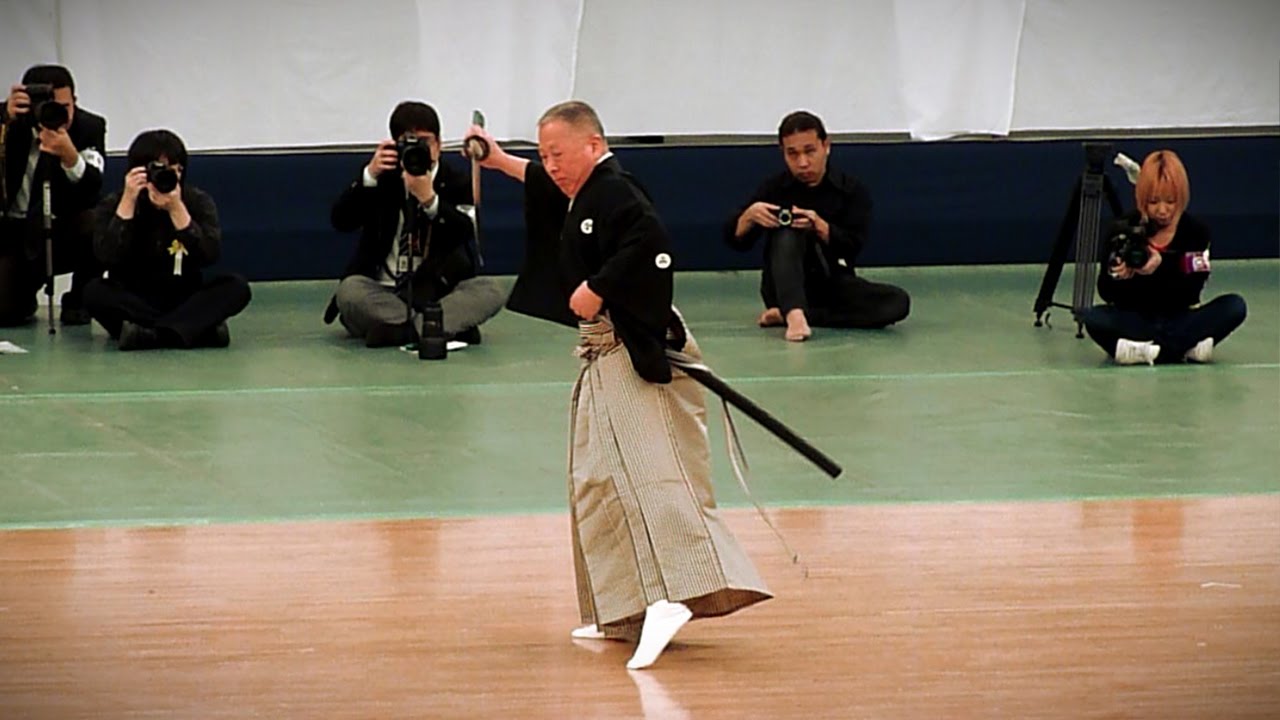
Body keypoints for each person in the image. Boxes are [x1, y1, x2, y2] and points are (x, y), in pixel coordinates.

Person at [468, 101, 771, 670]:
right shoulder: (587, 190)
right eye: (545, 156)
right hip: (603, 352)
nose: (551, 166)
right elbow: (545, 184)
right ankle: (625, 608)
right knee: (597, 479)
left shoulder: (616, 191)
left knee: (649, 473)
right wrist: (502, 161)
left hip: (633, 345)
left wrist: (600, 286)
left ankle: (671, 596)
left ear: (593, 144)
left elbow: (652, 244)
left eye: (558, 154)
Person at [325, 101, 504, 348]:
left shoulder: (456, 181)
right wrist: (369, 176)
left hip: (438, 291)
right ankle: (437, 328)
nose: (420, 149)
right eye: (409, 142)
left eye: (425, 141)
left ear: (439, 145)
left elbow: (465, 232)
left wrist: (430, 200)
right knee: (350, 291)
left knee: (490, 291)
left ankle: (400, 331)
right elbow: (341, 221)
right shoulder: (382, 178)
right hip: (383, 291)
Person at [724, 110, 909, 341]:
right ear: (783, 153)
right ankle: (793, 313)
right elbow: (736, 242)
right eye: (792, 154)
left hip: (833, 284)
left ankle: (799, 315)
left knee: (897, 302)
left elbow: (853, 246)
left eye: (810, 151)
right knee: (788, 233)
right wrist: (749, 217)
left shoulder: (850, 190)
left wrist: (821, 226)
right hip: (783, 286)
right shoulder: (775, 189)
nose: (802, 163)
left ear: (826, 146)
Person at [83, 130, 250, 350]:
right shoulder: (115, 203)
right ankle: (192, 331)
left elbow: (210, 254)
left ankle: (151, 335)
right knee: (94, 292)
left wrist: (177, 210)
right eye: (160, 169)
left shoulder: (196, 201)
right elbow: (106, 255)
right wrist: (128, 202)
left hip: (184, 297)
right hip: (134, 298)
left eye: (176, 169)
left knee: (236, 287)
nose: (169, 175)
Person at [1082, 150, 1247, 365]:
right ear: (1142, 199)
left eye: (1170, 201)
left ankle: (1145, 351)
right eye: (1153, 202)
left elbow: (1192, 291)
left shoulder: (1196, 231)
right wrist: (1120, 275)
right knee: (1094, 317)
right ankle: (1184, 349)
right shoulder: (1123, 229)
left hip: (1179, 318)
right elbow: (1106, 292)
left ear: (1181, 197)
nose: (1162, 211)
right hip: (1136, 318)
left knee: (1234, 306)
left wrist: (1162, 264)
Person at [0, 64, 106, 326]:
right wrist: (4, 122)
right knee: (7, 312)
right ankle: (21, 295)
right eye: (50, 107)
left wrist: (71, 158)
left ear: (75, 102)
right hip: (11, 230)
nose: (60, 115)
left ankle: (78, 301)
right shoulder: (8, 120)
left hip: (61, 228)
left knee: (99, 221)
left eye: (66, 106)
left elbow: (93, 188)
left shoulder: (88, 127)